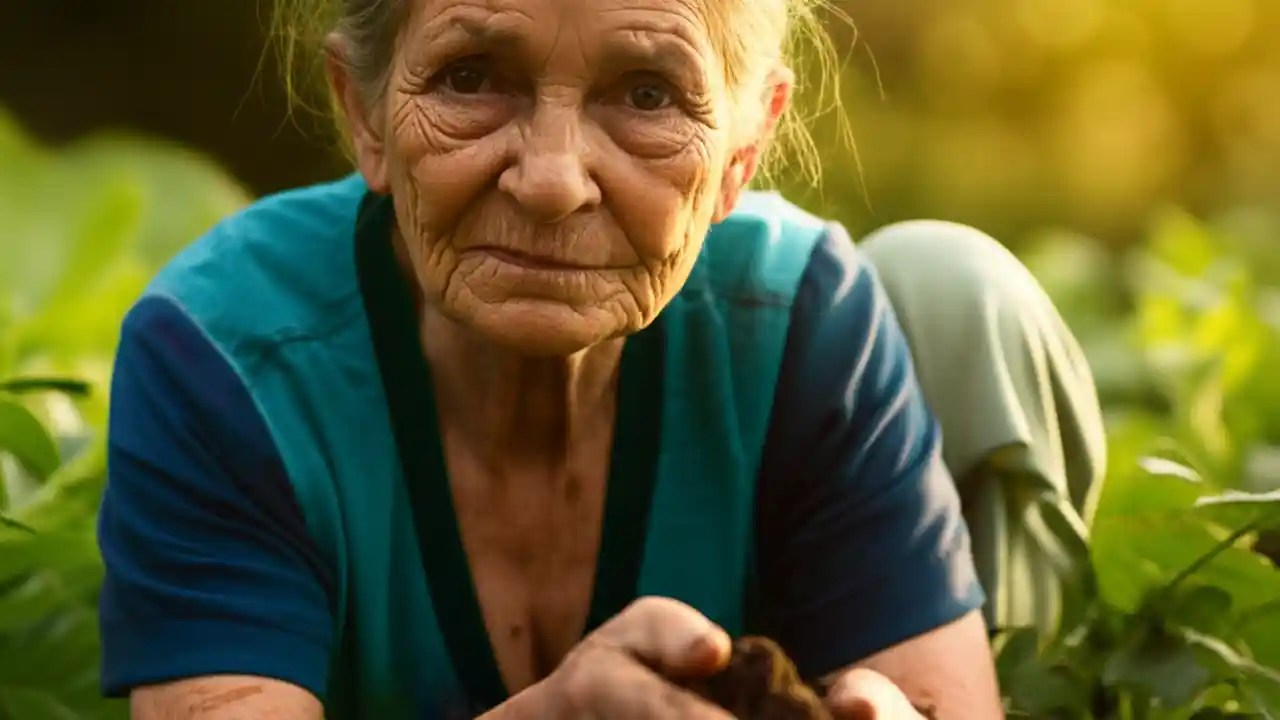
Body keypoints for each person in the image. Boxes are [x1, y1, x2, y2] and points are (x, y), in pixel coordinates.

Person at [97, 0, 1099, 717]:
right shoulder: (228, 355)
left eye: (648, 93)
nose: (548, 181)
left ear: (742, 153)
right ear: (363, 113)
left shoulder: (799, 321)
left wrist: (883, 703)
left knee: (945, 283)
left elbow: (924, 698)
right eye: (471, 77)